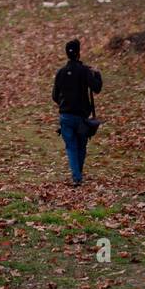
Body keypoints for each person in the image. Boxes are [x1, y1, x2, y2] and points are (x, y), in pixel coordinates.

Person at [52, 39, 102, 186]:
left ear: (66, 54)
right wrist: (97, 74)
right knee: (81, 146)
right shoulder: (85, 71)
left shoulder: (60, 72)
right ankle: (77, 175)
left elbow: (55, 96)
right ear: (79, 53)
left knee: (71, 147)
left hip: (66, 116)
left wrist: (64, 104)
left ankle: (77, 176)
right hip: (81, 117)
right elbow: (97, 88)